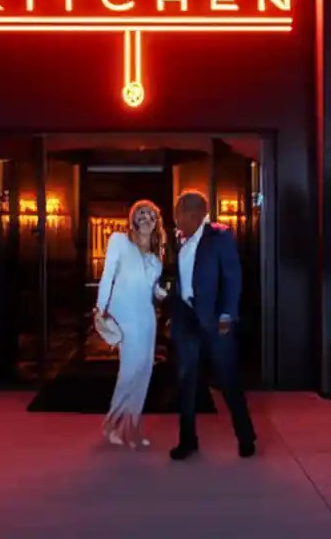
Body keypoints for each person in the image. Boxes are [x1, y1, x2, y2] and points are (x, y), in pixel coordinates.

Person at [168, 190, 257, 460]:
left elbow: (232, 277)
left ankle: (245, 437)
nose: (177, 218)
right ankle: (187, 440)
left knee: (229, 380)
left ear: (194, 214)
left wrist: (227, 315)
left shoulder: (219, 237)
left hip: (216, 319)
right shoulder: (177, 240)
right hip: (186, 320)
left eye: (179, 213)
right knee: (186, 382)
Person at [94, 199, 167, 449]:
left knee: (145, 372)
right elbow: (107, 275)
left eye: (151, 215)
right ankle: (111, 425)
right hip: (125, 317)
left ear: (156, 223)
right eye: (141, 214)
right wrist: (100, 308)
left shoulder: (156, 255)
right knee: (129, 372)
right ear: (133, 219)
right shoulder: (119, 241)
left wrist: (162, 293)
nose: (147, 218)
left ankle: (132, 429)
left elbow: (151, 288)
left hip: (146, 318)